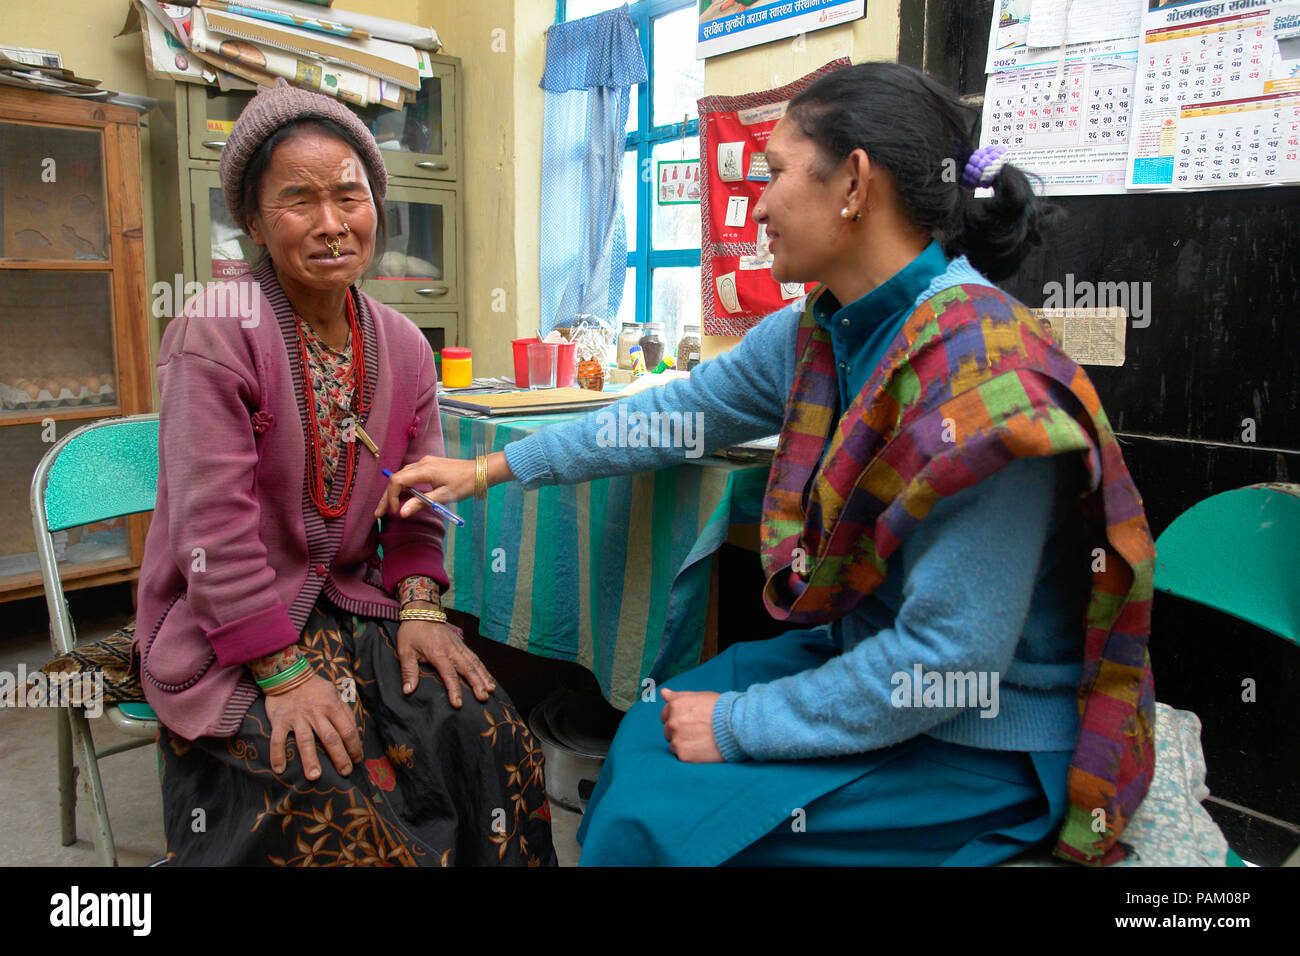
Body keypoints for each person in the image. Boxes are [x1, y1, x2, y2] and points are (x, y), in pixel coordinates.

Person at [376, 63, 1156, 867]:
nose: (757, 203)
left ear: (854, 183)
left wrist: (737, 726)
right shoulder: (822, 331)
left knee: (654, 819)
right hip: (867, 658)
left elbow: (947, 657)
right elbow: (670, 418)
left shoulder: (985, 379)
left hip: (976, 734)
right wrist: (492, 470)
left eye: (776, 173)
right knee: (646, 728)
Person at [135, 79, 555, 866]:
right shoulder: (215, 332)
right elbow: (211, 530)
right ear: (255, 222)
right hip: (231, 619)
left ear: (376, 205)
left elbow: (419, 494)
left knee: (487, 731)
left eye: (349, 196)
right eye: (299, 201)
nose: (332, 224)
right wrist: (285, 674)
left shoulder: (402, 343)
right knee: (327, 778)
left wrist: (423, 603)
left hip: (353, 601)